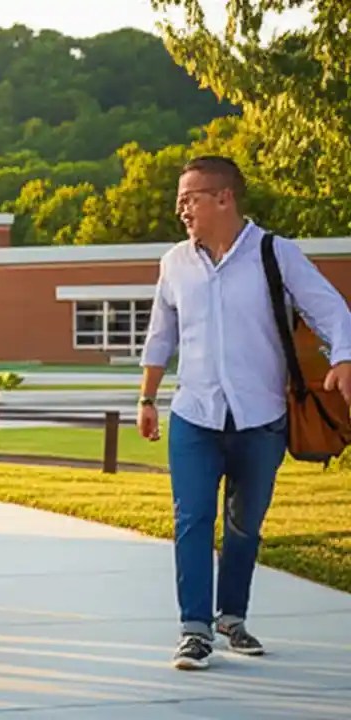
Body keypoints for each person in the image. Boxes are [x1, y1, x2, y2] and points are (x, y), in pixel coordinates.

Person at [138, 156, 351, 671]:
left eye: (190, 197)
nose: (181, 208)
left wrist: (343, 359)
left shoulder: (276, 253)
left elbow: (331, 310)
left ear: (224, 197)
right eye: (180, 199)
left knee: (243, 525)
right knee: (192, 519)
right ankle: (195, 630)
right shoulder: (175, 263)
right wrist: (147, 398)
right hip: (194, 414)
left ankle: (232, 617)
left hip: (261, 417)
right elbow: (160, 333)